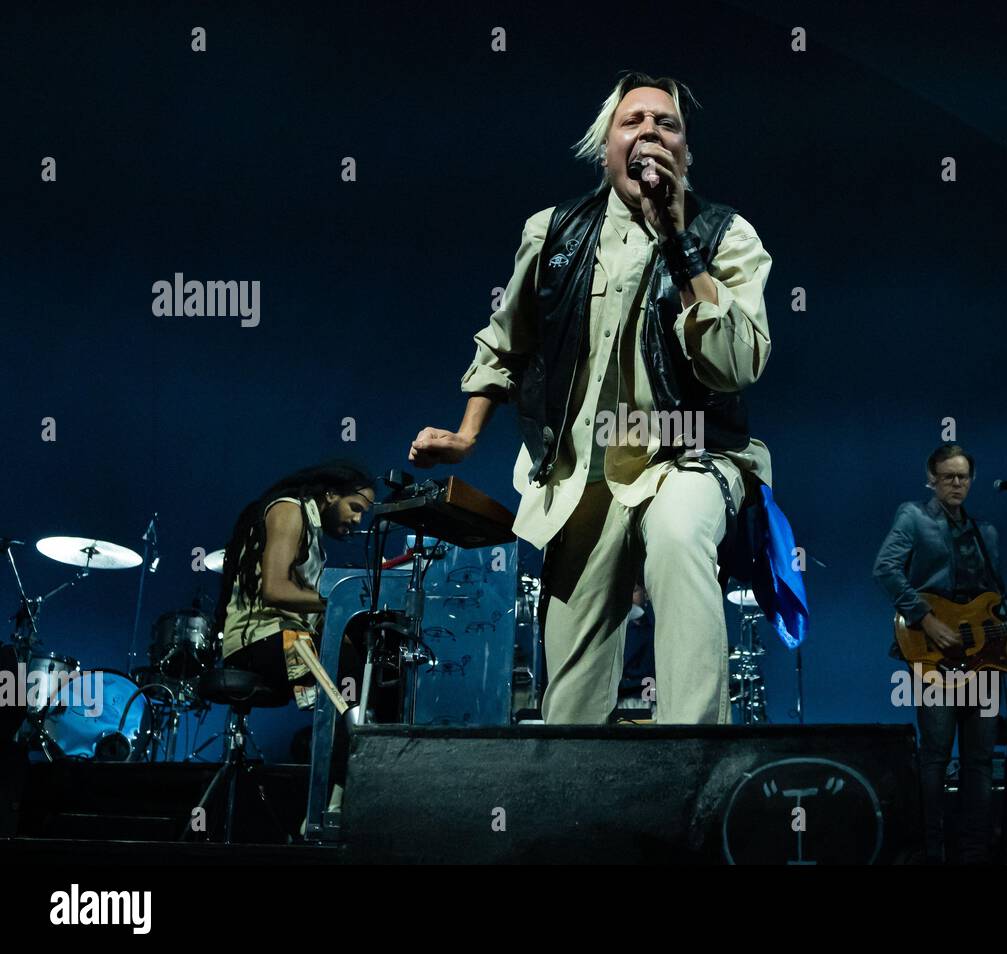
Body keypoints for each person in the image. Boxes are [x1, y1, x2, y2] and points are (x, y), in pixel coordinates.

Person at [408, 71, 773, 725]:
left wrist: (679, 245)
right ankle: (569, 796)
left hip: (689, 455)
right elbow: (507, 342)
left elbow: (736, 364)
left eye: (668, 124)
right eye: (634, 121)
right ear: (605, 146)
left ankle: (689, 760)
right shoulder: (553, 234)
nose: (651, 133)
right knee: (572, 679)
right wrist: (465, 435)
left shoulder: (727, 237)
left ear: (685, 152)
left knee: (677, 534)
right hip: (585, 472)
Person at [873, 443, 1007, 863]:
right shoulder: (914, 516)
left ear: (971, 481)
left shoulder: (985, 531)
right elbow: (884, 568)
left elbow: (997, 594)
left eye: (962, 477)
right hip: (933, 652)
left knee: (978, 761)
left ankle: (974, 854)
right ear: (932, 479)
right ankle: (931, 852)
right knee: (936, 755)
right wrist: (925, 618)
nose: (956, 483)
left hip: (985, 656)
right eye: (947, 476)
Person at [215, 461, 375, 806]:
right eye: (355, 508)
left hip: (290, 636)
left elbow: (309, 611)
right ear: (330, 494)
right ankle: (333, 805)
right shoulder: (290, 509)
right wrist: (336, 602)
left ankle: (341, 794)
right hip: (258, 639)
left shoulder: (315, 536)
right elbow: (274, 590)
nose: (359, 520)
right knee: (350, 673)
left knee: (366, 669)